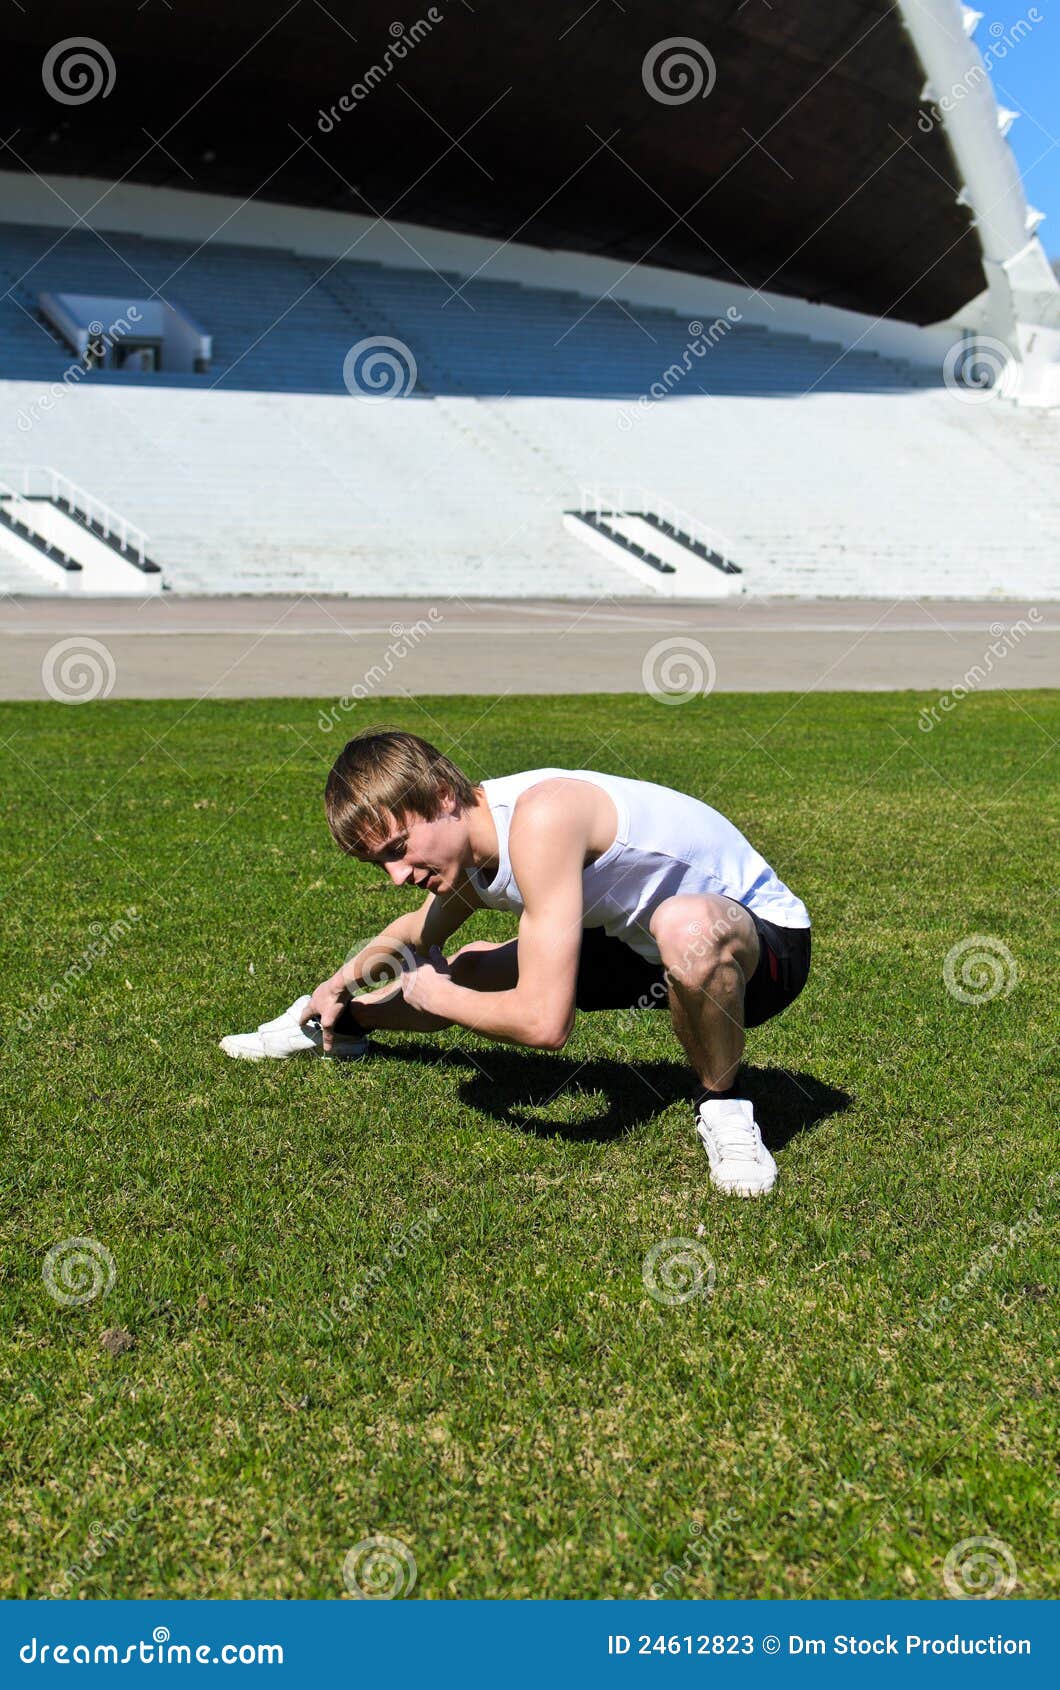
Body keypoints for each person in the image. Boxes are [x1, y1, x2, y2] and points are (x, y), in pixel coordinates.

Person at [221, 729, 811, 1196]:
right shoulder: (474, 837)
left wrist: (438, 995)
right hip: (640, 943)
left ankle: (724, 1105)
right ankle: (337, 1027)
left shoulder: (541, 819)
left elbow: (545, 1025)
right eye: (381, 865)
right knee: (472, 969)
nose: (397, 877)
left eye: (398, 851)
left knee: (683, 928)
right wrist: (335, 987)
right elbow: (416, 932)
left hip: (757, 945)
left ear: (443, 797)